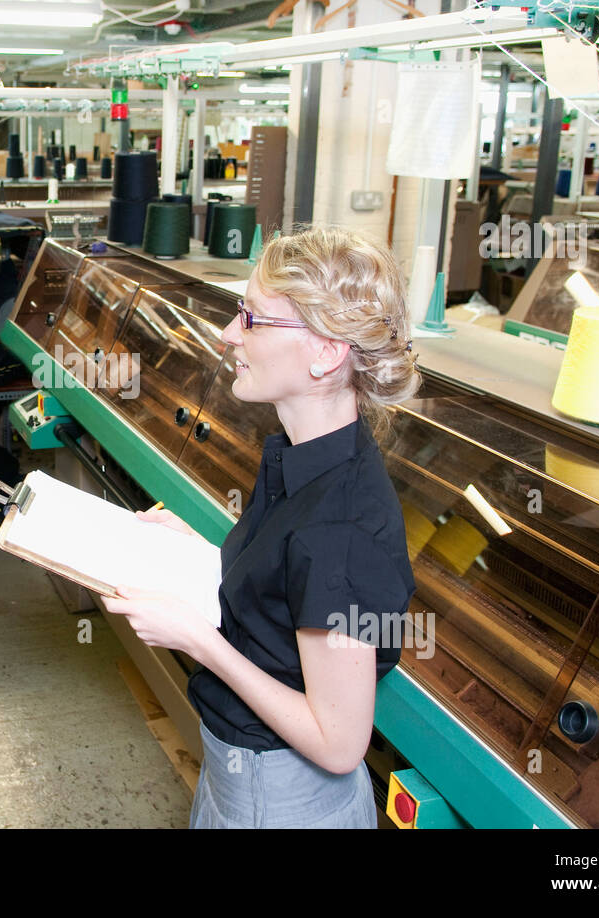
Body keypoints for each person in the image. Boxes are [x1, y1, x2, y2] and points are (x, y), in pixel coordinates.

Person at [102, 225, 420, 828]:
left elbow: (338, 742)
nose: (228, 334)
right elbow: (278, 596)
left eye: (253, 318)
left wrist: (198, 640)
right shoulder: (299, 459)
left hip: (279, 801)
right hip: (235, 777)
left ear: (327, 353)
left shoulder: (341, 529)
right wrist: (202, 556)